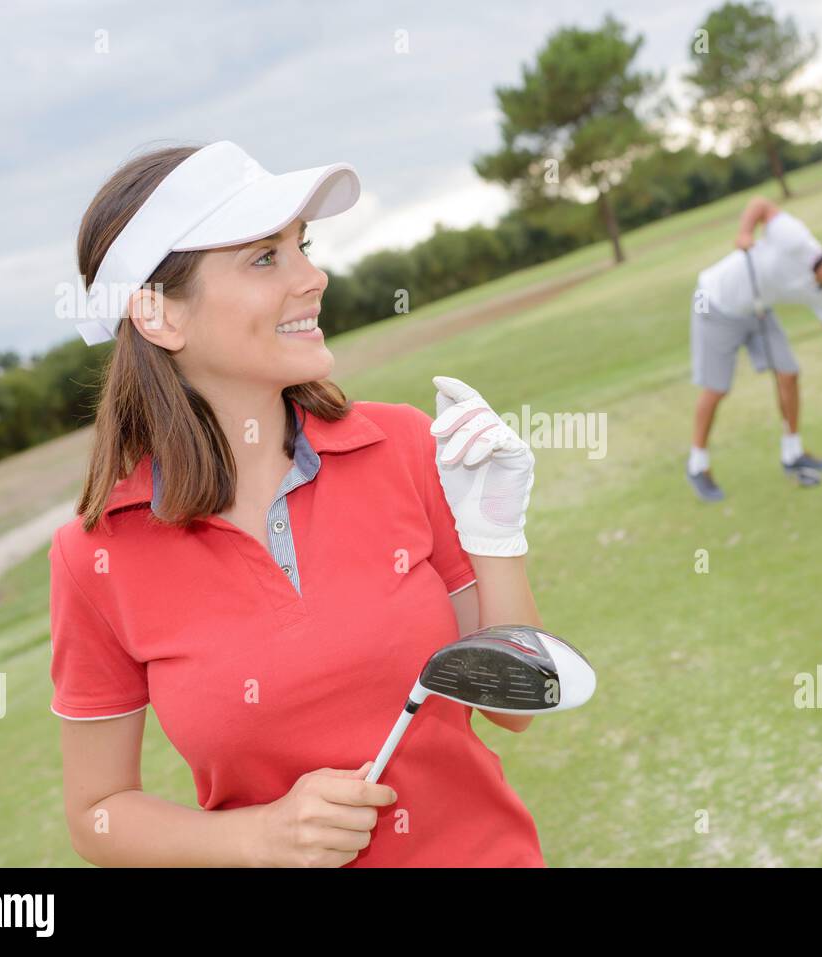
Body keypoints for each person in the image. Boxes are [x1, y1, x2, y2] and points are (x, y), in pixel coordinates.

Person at [50, 140, 547, 867]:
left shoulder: (403, 445)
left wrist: (495, 532)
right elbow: (96, 815)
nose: (313, 277)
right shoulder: (96, 554)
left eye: (301, 247)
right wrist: (255, 836)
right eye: (264, 258)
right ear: (158, 316)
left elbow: (514, 704)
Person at [686, 196, 822, 499]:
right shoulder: (797, 240)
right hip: (716, 304)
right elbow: (760, 204)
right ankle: (698, 464)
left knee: (788, 374)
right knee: (717, 388)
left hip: (758, 309)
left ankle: (792, 453)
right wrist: (745, 233)